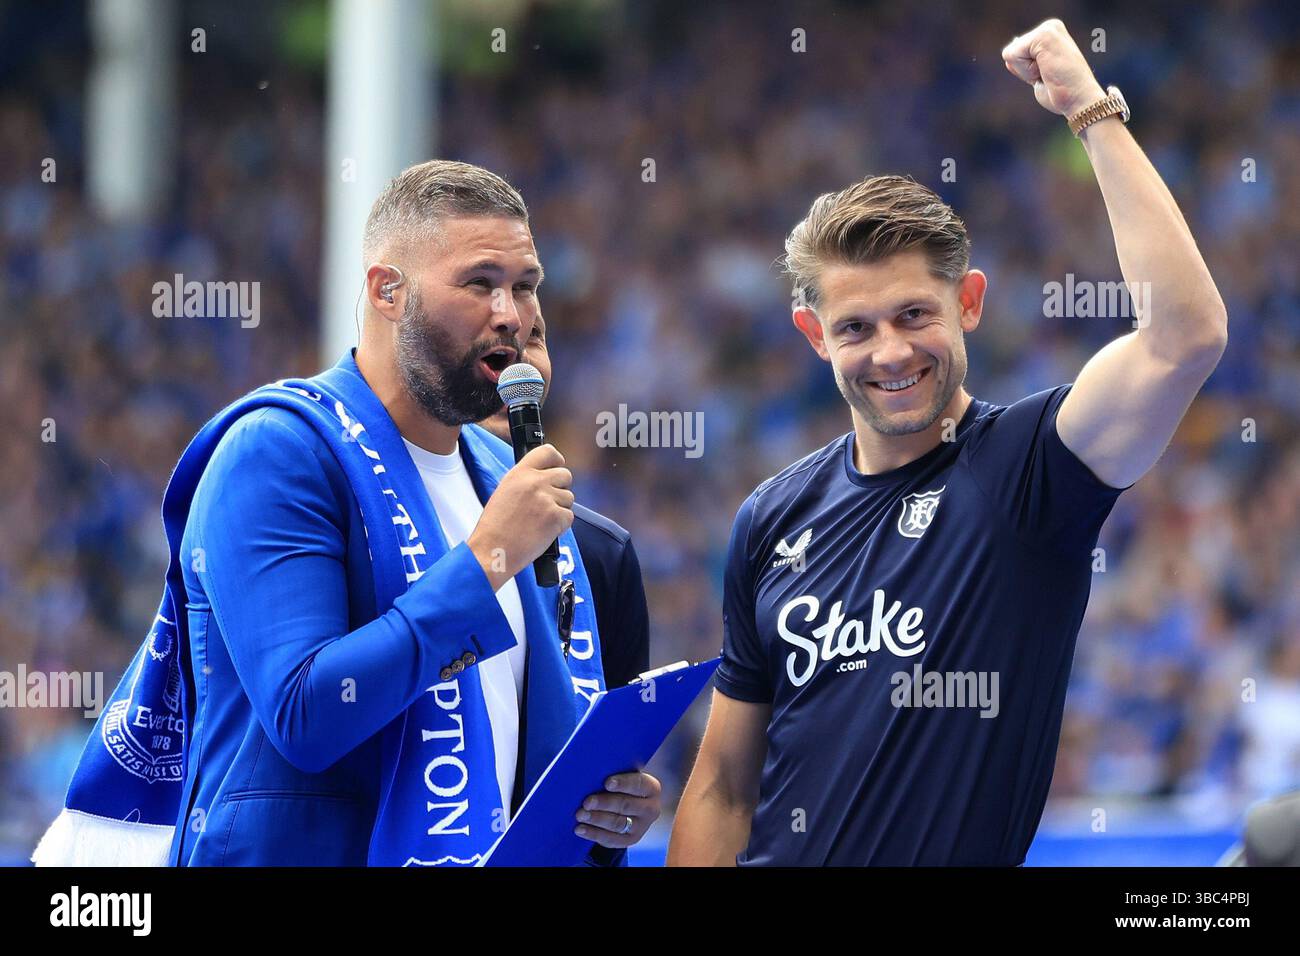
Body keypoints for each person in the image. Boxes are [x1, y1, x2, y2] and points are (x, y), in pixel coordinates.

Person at [668, 19, 1228, 866]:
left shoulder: (1033, 470)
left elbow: (1184, 335)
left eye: (914, 314)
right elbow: (722, 787)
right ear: (813, 336)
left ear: (968, 302)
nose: (889, 351)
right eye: (855, 326)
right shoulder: (770, 517)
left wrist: (1088, 110)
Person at [35, 160, 660, 866]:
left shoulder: (499, 480)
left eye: (525, 287)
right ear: (386, 291)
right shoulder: (275, 452)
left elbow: (518, 745)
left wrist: (607, 804)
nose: (511, 315)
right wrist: (487, 560)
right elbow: (305, 716)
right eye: (479, 283)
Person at [475, 313, 651, 695]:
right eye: (492, 342)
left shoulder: (603, 553)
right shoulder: (395, 527)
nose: (515, 358)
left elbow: (619, 744)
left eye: (534, 335)